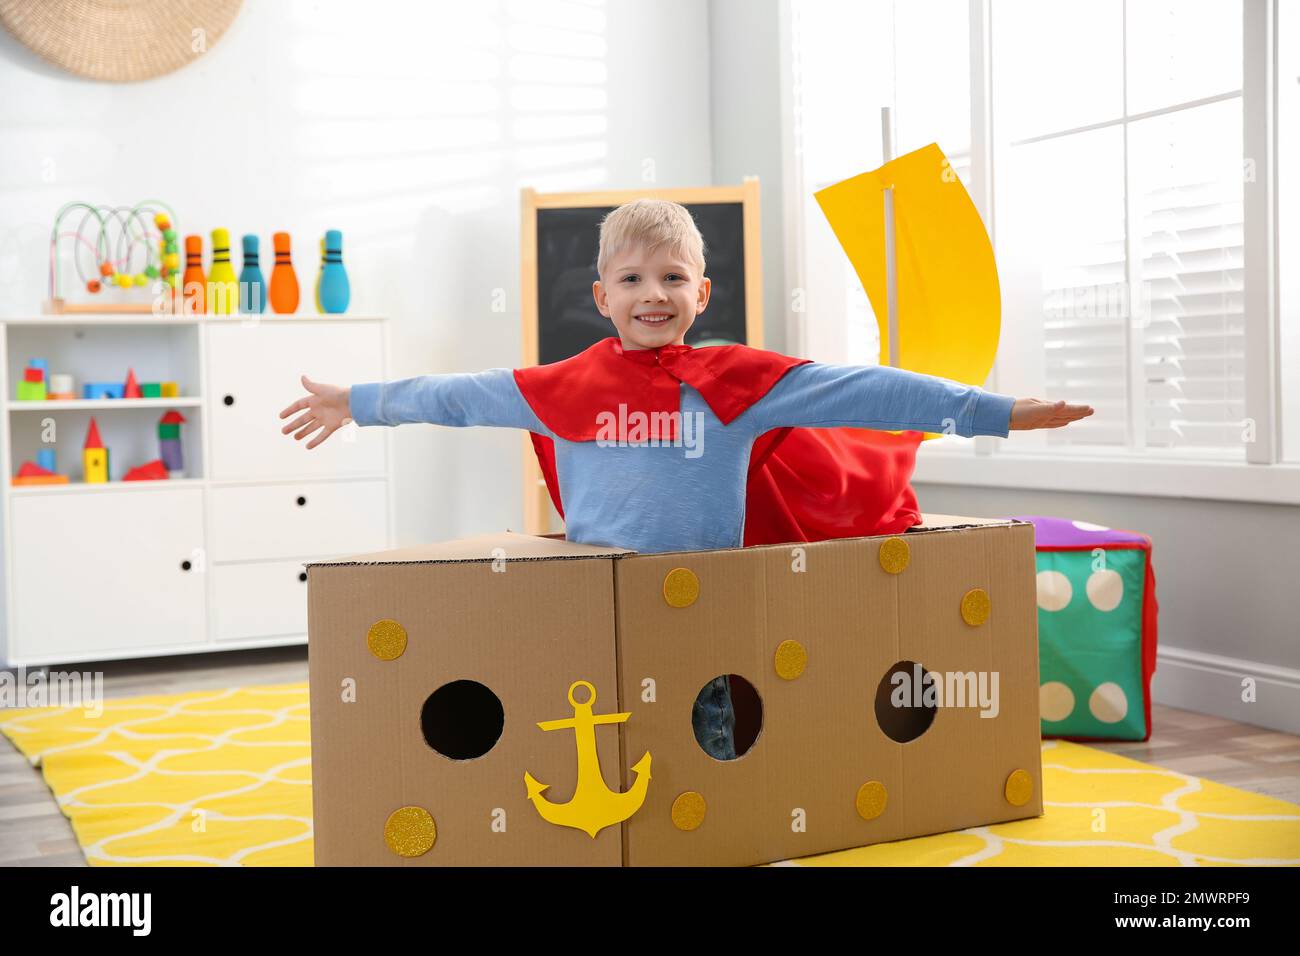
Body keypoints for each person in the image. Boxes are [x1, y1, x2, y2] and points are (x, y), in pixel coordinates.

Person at [279, 198, 1093, 761]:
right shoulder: (562, 388)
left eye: (672, 277)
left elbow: (870, 387)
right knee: (597, 730)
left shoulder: (740, 380)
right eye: (632, 280)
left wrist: (997, 412)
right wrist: (359, 401)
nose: (653, 294)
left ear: (702, 292)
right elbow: (455, 395)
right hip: (597, 604)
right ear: (602, 297)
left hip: (706, 607)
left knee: (711, 739)